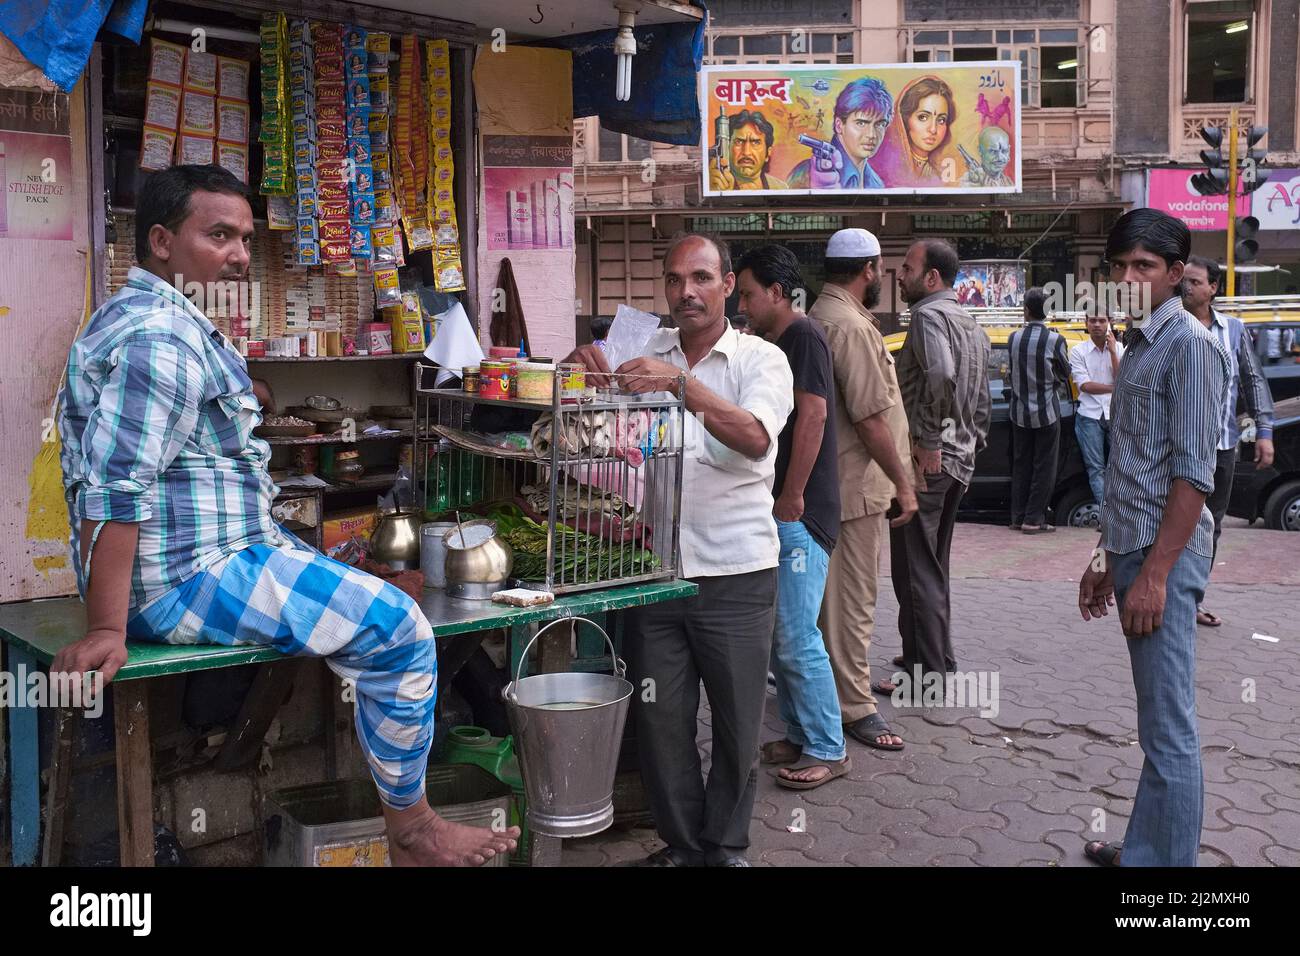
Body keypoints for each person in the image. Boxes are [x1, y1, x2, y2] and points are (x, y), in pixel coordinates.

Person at [51, 164, 517, 867]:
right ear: (159, 241)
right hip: (183, 577)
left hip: (210, 558)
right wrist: (110, 627)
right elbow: (117, 487)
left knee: (371, 598)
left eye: (243, 237)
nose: (239, 254)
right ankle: (412, 827)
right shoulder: (161, 338)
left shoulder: (168, 321)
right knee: (399, 631)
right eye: (218, 235)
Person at [564, 232, 794, 867]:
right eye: (673, 279)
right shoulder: (641, 349)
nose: (685, 291)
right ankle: (684, 846)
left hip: (736, 572)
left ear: (727, 286)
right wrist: (589, 379)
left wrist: (681, 385)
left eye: (700, 278)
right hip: (656, 570)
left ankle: (725, 846)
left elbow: (753, 437)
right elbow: (603, 439)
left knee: (738, 723)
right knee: (661, 719)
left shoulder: (761, 361)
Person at [1078, 209, 1230, 868]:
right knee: (1155, 721)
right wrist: (1108, 555)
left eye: (1143, 266)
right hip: (1136, 546)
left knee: (1169, 727)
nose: (1128, 278)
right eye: (1119, 266)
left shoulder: (1190, 347)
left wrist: (1157, 573)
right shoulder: (1141, 344)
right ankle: (1148, 849)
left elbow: (1195, 475)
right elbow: (1135, 464)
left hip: (1166, 553)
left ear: (1174, 273)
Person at [735, 244, 849, 789]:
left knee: (799, 634)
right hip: (787, 507)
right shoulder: (774, 342)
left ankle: (828, 747)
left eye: (749, 294)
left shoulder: (801, 336)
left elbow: (815, 415)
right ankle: (803, 736)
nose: (743, 305)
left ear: (777, 293)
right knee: (786, 635)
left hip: (802, 511)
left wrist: (795, 494)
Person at [807, 229, 917, 750]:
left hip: (837, 486)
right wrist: (904, 483)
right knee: (852, 603)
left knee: (830, 605)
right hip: (854, 488)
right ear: (868, 269)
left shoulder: (826, 317)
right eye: (880, 270)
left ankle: (831, 694)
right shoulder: (848, 325)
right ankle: (853, 707)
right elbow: (872, 419)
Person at [877, 239, 991, 698]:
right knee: (932, 565)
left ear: (931, 278)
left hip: (930, 461)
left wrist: (928, 442)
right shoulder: (970, 322)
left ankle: (926, 677)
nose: (898, 276)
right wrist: (971, 442)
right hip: (958, 460)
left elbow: (940, 375)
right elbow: (981, 400)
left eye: (906, 268)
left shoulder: (927, 316)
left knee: (913, 569)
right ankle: (931, 655)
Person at [1180, 255, 1274, 628]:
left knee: (1210, 525)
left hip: (1221, 447)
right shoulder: (1168, 326)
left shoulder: (1233, 330)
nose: (1186, 287)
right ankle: (1166, 592)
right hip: (1178, 447)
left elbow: (1253, 382)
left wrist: (1264, 432)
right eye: (1183, 280)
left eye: (1195, 281)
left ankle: (1192, 598)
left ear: (1213, 288)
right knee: (1172, 521)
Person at [1006, 287, 1071, 533]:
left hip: (1019, 412)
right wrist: (1051, 381)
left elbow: (1011, 372)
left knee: (1021, 465)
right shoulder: (1055, 340)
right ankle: (1033, 519)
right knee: (1044, 467)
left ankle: (1017, 516)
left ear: (1026, 311)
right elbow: (1065, 373)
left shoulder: (1014, 338)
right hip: (1047, 412)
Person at [786, 77, 892, 190]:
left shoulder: (876, 183)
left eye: (880, 124)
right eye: (861, 123)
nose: (871, 135)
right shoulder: (808, 173)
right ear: (839, 125)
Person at [1069, 310, 1124, 515]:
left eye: (1102, 320)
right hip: (1089, 416)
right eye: (1093, 321)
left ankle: (1120, 514)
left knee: (1119, 468)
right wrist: (1114, 388)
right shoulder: (1078, 351)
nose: (1097, 325)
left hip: (1114, 414)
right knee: (1096, 468)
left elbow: (1122, 378)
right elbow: (1085, 386)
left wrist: (1112, 352)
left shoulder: (1118, 348)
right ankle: (1107, 515)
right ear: (1086, 323)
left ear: (1109, 323)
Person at [875, 75, 956, 188]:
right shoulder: (884, 169)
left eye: (941, 120)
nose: (933, 129)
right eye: (923, 117)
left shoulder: (940, 172)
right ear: (905, 119)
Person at [709, 110, 788, 191]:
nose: (746, 152)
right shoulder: (712, 184)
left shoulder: (781, 188)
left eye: (756, 142)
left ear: (767, 154)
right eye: (738, 142)